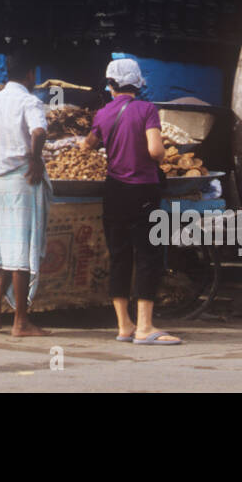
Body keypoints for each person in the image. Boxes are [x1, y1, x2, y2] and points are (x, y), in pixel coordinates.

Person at [80, 58, 181, 345]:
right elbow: (155, 150)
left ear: (111, 86)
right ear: (137, 84)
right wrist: (160, 155)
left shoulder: (102, 113)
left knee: (120, 256)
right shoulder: (147, 110)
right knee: (148, 256)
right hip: (143, 191)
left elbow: (88, 144)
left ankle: (124, 325)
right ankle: (145, 327)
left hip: (114, 191)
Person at [0, 49, 51, 337]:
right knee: (21, 249)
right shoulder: (29, 101)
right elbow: (39, 132)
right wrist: (34, 160)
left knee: (2, 244)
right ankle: (21, 321)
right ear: (31, 74)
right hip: (23, 178)